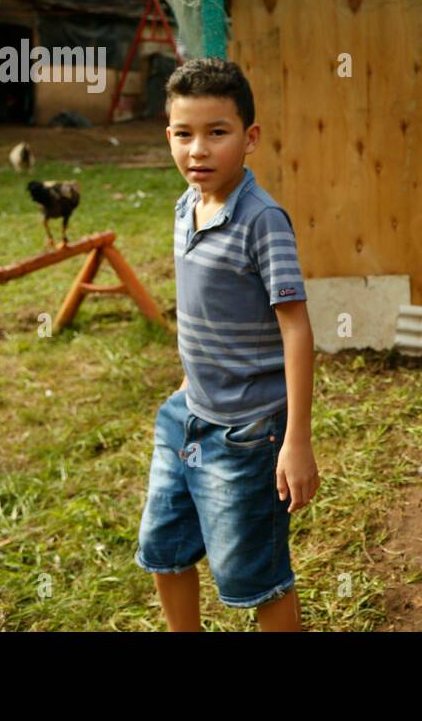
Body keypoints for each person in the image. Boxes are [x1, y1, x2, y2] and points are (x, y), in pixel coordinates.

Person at [135, 57, 319, 631]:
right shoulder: (185, 208)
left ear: (249, 138)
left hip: (248, 435)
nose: (198, 150)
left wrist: (296, 442)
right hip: (185, 418)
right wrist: (193, 380)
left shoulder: (263, 222)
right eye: (184, 134)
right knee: (163, 552)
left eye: (217, 133)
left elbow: (296, 328)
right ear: (168, 136)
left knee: (255, 580)